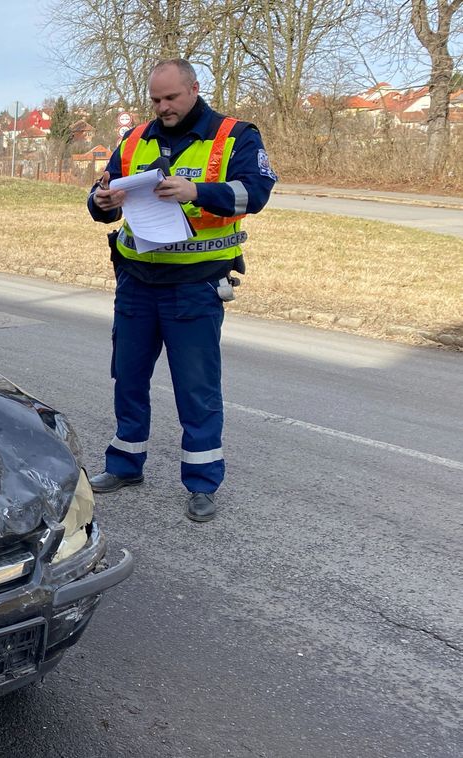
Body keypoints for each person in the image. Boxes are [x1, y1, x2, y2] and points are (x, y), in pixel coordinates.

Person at [87, 59, 278, 522]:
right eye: (155, 99)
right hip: (136, 281)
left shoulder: (235, 135)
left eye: (170, 98)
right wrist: (101, 201)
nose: (162, 107)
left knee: (197, 389)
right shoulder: (135, 139)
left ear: (194, 89)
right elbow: (103, 198)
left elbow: (257, 192)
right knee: (128, 377)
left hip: (194, 287)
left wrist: (197, 192)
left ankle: (202, 481)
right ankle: (126, 464)